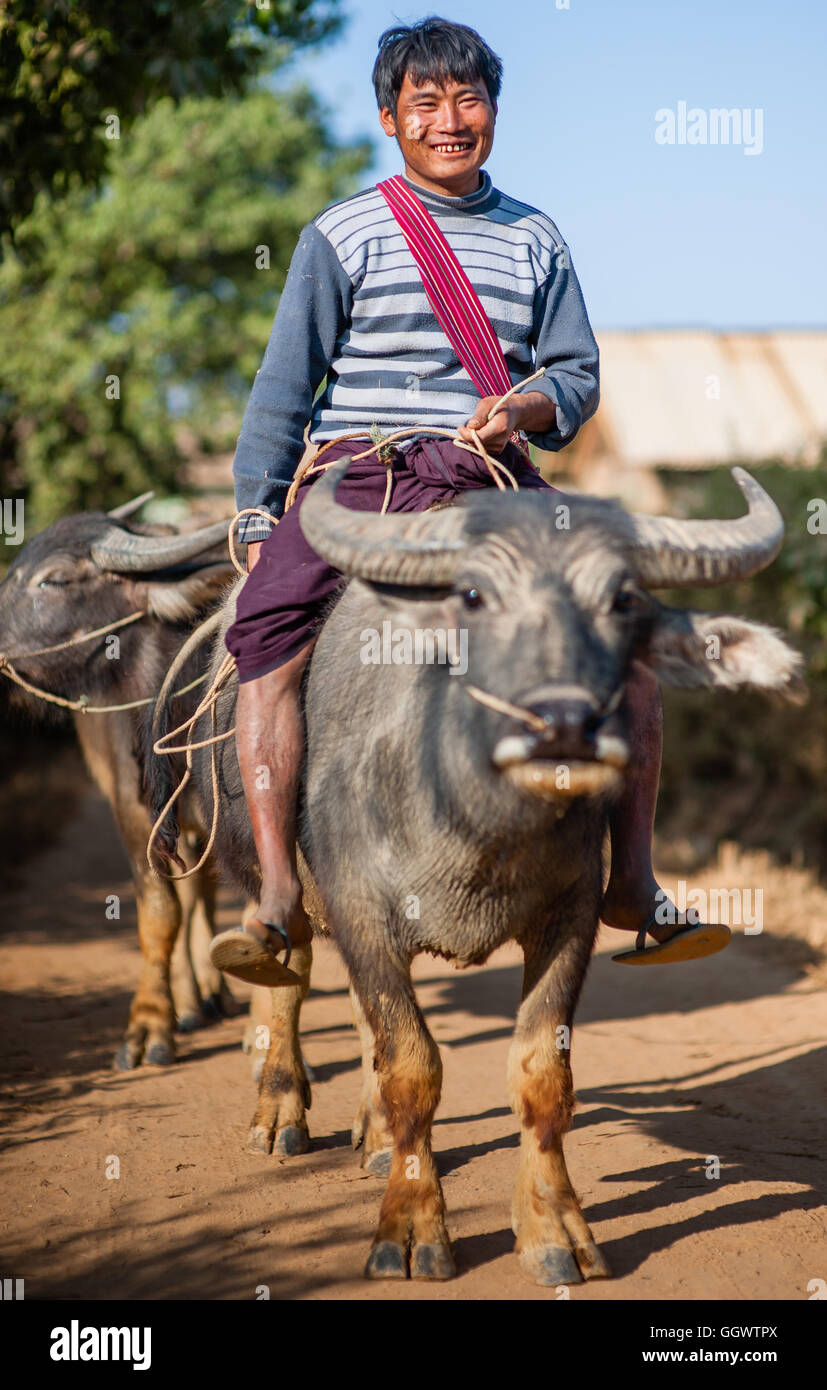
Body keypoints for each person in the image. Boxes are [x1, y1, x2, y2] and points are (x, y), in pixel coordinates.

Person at [209, 17, 728, 988]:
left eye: (468, 99)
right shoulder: (340, 233)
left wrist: (526, 402)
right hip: (360, 479)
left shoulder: (536, 236)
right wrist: (254, 508)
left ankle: (634, 883)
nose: (450, 120)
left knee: (634, 642)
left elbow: (573, 374)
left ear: (493, 111)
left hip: (493, 482)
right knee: (265, 638)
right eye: (425, 104)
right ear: (387, 120)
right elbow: (283, 388)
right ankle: (278, 895)